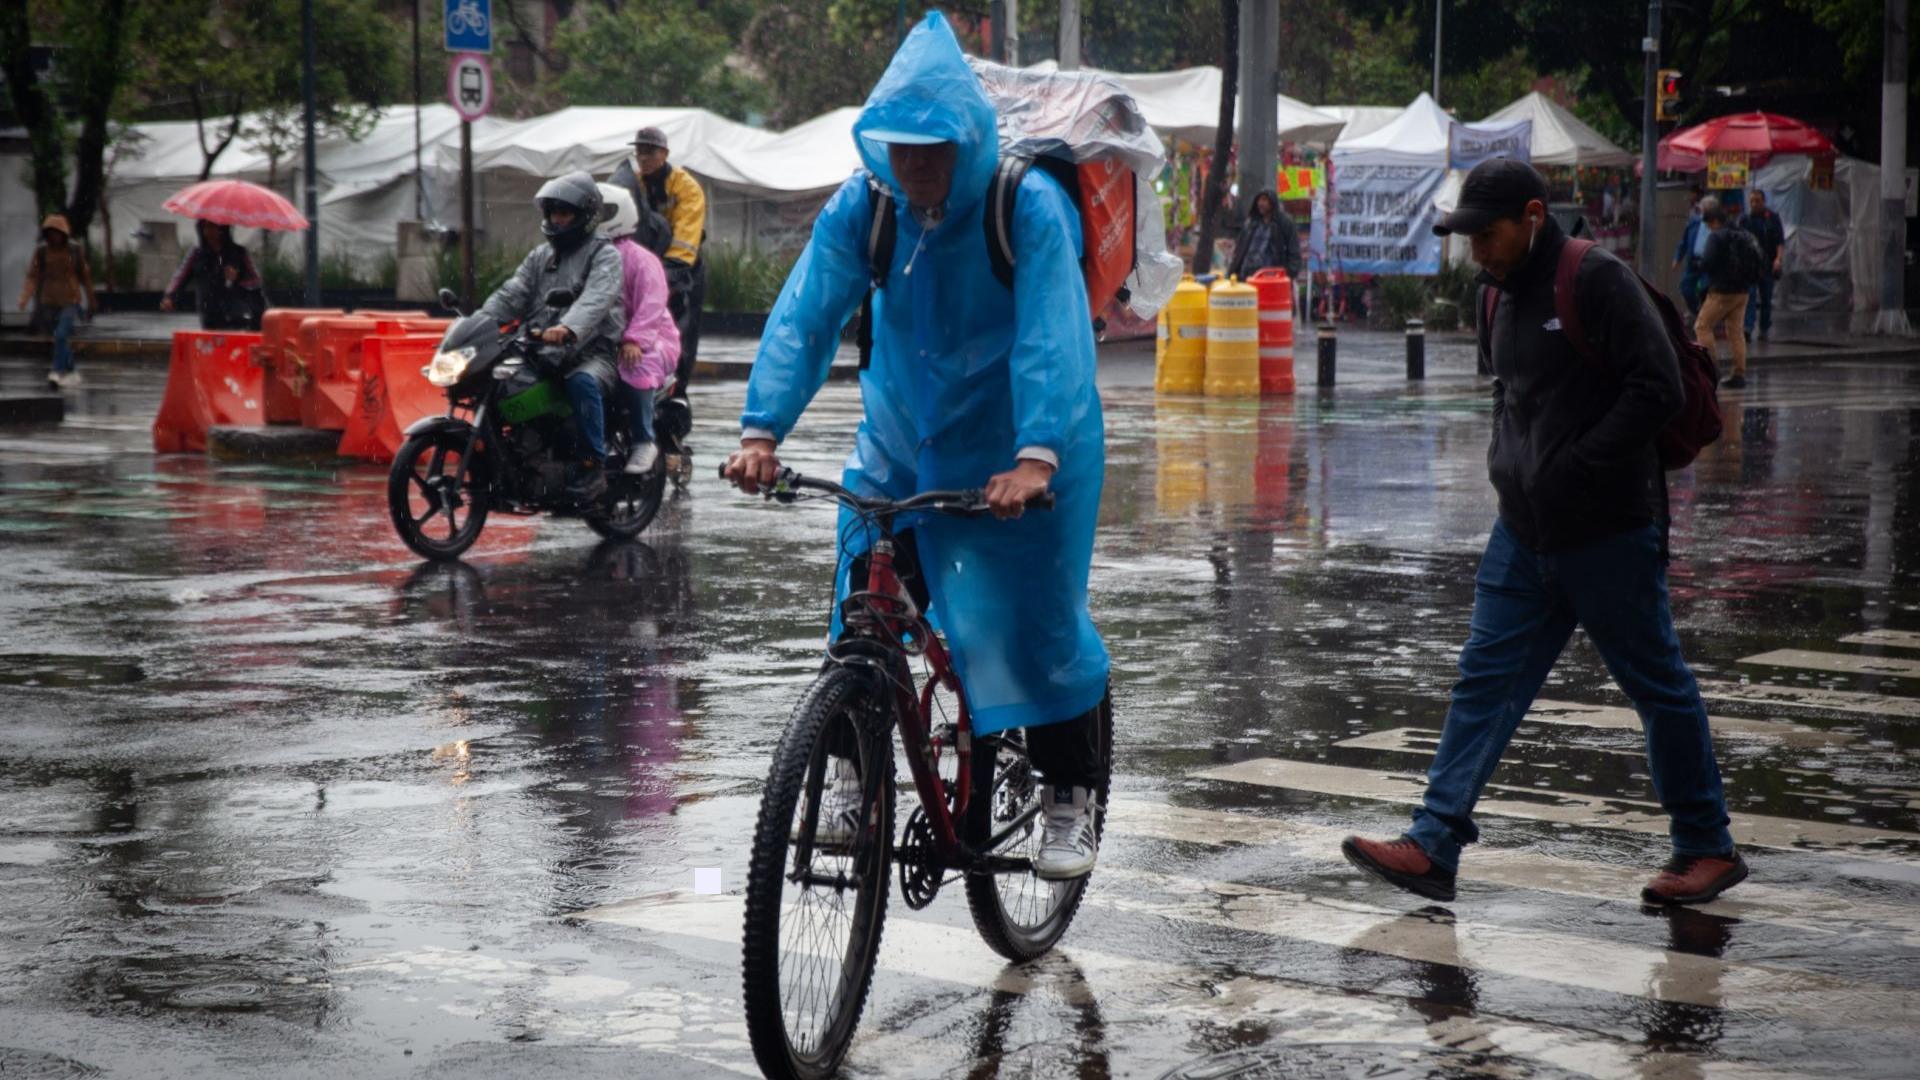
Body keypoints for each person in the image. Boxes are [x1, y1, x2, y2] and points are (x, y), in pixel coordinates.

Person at [723, 11, 1110, 880]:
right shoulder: (867, 210)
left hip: (1026, 455)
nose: (917, 166)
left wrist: (1038, 455)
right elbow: (805, 316)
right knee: (864, 607)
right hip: (902, 452)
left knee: (1035, 623)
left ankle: (1069, 796)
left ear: (968, 141)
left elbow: (1054, 338)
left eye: (934, 149)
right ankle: (853, 772)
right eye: (900, 147)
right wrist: (760, 432)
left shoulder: (1027, 208)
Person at [1340, 158, 1745, 909]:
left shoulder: (1594, 279)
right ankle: (1433, 843)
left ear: (1531, 216)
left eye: (1486, 236)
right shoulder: (1496, 297)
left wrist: (1579, 466)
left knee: (1656, 686)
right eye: (1467, 240)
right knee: (1485, 680)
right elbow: (1513, 395)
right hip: (1524, 533)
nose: (1476, 253)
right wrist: (1511, 468)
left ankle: (1705, 845)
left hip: (1608, 531)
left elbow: (1655, 386)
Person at [479, 171, 626, 504]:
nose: (557, 220)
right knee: (499, 381)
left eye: (565, 213)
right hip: (540, 348)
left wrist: (568, 329)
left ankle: (593, 467)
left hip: (593, 352)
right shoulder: (539, 256)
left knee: (581, 383)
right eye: (553, 213)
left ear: (585, 216)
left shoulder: (605, 255)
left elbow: (596, 299)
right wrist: (478, 322)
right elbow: (511, 294)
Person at [610, 126, 707, 401]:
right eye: (639, 151)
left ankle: (677, 396)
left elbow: (685, 243)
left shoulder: (686, 186)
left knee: (681, 338)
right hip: (644, 267)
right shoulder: (634, 183)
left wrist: (666, 279)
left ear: (664, 153)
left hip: (683, 272)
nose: (643, 157)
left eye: (650, 151)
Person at [595, 183, 680, 477]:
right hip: (602, 339)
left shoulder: (640, 259)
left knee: (636, 365)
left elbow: (652, 304)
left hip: (651, 338)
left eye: (599, 212)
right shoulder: (584, 254)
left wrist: (634, 340)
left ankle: (644, 439)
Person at [17, 214, 97, 389]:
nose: (55, 236)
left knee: (61, 335)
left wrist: (91, 301)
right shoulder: (42, 251)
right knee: (59, 339)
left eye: (58, 233)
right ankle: (73, 371)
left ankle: (56, 371)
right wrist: (24, 297)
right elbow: (33, 276)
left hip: (70, 300)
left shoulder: (74, 250)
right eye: (51, 233)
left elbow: (85, 276)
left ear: (64, 233)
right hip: (49, 301)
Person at [1694, 196, 1756, 389]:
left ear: (1714, 222)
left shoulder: (1717, 236)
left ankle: (1712, 368)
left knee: (1702, 326)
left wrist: (1700, 264)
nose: (1709, 229)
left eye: (1709, 225)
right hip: (1743, 291)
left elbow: (1707, 262)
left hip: (1722, 291)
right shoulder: (1741, 233)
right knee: (1736, 332)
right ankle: (1739, 373)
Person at [159, 220, 265, 330]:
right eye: (205, 227)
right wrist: (170, 297)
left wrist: (238, 277)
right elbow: (180, 277)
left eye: (213, 227)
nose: (209, 232)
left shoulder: (238, 252)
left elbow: (255, 281)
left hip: (237, 312)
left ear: (222, 229)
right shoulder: (197, 254)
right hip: (209, 311)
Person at [1738, 189, 1786, 341]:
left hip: (1767, 264)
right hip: (1751, 265)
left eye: (1757, 201)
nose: (1754, 204)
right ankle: (1748, 327)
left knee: (1766, 298)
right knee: (1750, 297)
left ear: (1763, 201)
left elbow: (1779, 241)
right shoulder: (1745, 220)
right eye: (1752, 201)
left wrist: (1778, 259)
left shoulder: (1771, 218)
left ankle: (1764, 328)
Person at [1227, 190, 1301, 283]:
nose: (1260, 203)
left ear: (1272, 202)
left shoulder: (1284, 223)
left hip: (1271, 278)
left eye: (1264, 200)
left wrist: (1289, 273)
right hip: (1246, 276)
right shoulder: (1251, 224)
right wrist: (1232, 272)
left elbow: (1293, 250)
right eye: (1259, 200)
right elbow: (1240, 251)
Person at [1670, 185, 1707, 316]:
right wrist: (1677, 258)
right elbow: (1684, 242)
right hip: (1693, 262)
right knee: (1686, 288)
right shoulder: (1693, 222)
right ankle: (1696, 312)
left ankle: (1705, 314)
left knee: (1705, 288)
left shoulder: (1715, 225)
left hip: (1708, 262)